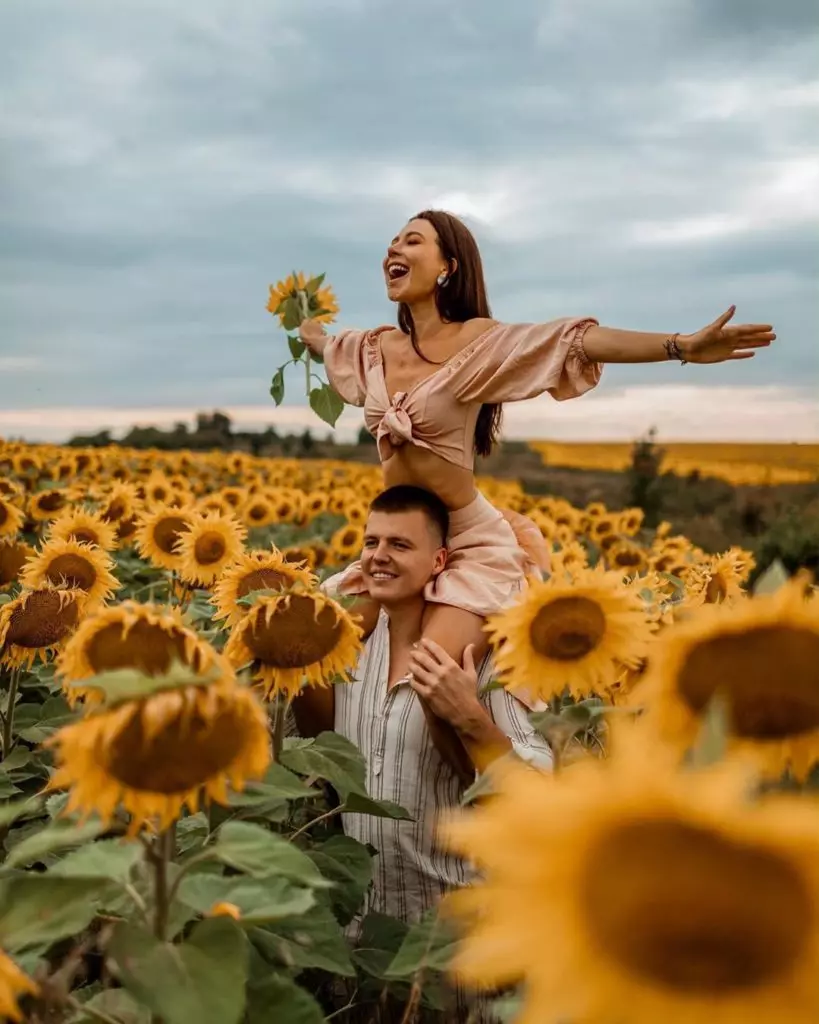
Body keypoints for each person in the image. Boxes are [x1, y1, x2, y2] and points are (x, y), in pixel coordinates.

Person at [300, 210, 775, 678]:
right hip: (399, 540)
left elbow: (574, 341)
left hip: (465, 541)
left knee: (432, 673)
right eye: (394, 240)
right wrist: (309, 329)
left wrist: (680, 346)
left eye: (412, 240)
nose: (394, 248)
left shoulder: (475, 343)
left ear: (449, 266)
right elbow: (327, 344)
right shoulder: (373, 350)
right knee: (310, 646)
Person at [292, 484, 553, 931]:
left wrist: (469, 717)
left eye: (400, 544)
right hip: (362, 946)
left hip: (455, 943)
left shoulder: (488, 660)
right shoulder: (349, 653)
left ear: (439, 562)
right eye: (372, 542)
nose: (379, 555)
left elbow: (539, 802)